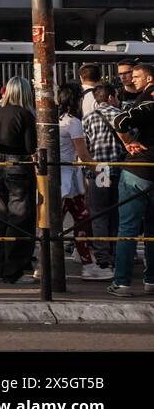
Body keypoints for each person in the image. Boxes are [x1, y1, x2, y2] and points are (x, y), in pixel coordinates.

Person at [0, 77, 38, 284]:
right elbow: (29, 147)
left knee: (1, 216)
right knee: (20, 218)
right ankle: (14, 270)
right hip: (17, 165)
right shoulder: (24, 114)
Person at [56, 82, 110, 281]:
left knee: (75, 221)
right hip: (68, 181)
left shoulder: (57, 120)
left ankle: (86, 262)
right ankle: (87, 265)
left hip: (62, 181)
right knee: (79, 221)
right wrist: (102, 171)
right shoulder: (73, 122)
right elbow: (84, 155)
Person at [109, 81, 154, 297]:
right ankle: (151, 280)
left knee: (128, 228)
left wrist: (127, 143)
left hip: (139, 170)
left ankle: (122, 282)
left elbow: (120, 120)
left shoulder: (149, 105)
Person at [82, 82, 127, 272]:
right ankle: (118, 254)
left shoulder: (88, 118)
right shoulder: (121, 116)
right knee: (117, 213)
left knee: (99, 213)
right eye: (116, 96)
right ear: (110, 97)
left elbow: (85, 146)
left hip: (100, 169)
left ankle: (102, 257)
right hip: (119, 169)